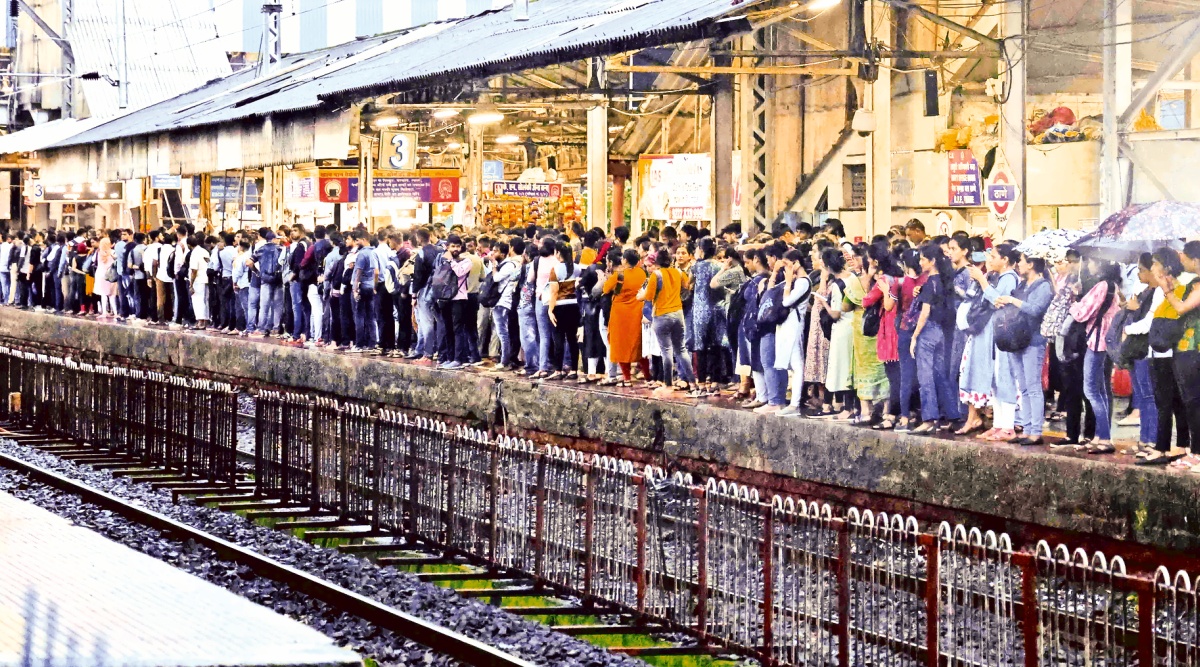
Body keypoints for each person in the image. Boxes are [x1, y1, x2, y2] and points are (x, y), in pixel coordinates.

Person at [993, 252, 1055, 446]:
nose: (1018, 264)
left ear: (1031, 264)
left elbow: (1036, 310)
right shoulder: (1022, 284)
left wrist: (1013, 301)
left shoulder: (1043, 286)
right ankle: (1027, 428)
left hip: (1034, 340)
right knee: (1024, 386)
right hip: (1016, 339)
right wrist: (1003, 301)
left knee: (1033, 386)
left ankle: (1036, 431)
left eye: (1021, 261)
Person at [1068, 259, 1122, 454]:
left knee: (1091, 390)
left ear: (1101, 264)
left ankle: (1105, 437)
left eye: (1092, 261)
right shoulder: (1114, 286)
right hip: (1105, 340)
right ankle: (1101, 435)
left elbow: (1082, 313)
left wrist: (1074, 301)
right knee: (1101, 390)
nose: (1089, 264)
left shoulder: (1102, 286)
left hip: (1096, 340)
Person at [1155, 241, 1200, 471]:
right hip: (1187, 348)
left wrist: (1168, 290)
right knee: (1190, 401)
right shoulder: (1193, 283)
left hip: (1193, 347)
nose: (1182, 260)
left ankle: (1197, 454)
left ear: (1195, 260)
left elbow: (1182, 308)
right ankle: (1194, 451)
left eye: (1186, 258)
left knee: (1194, 402)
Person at [909, 244, 958, 434]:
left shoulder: (930, 282)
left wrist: (914, 336)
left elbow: (925, 312)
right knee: (939, 374)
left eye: (923, 259)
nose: (920, 262)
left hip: (928, 331)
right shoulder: (944, 281)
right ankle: (953, 414)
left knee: (925, 376)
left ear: (932, 261)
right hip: (941, 331)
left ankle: (929, 418)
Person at [641, 242, 695, 393]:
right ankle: (693, 382)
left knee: (666, 350)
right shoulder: (678, 272)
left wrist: (641, 296)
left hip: (662, 314)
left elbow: (650, 296)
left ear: (657, 262)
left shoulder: (656, 275)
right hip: (678, 313)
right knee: (681, 349)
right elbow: (687, 286)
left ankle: (668, 384)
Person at [775, 248, 812, 417]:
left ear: (796, 263)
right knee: (793, 365)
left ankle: (795, 403)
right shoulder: (799, 281)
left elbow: (786, 302)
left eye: (788, 266)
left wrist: (789, 282)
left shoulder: (803, 281)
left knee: (797, 365)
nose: (786, 270)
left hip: (795, 324)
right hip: (789, 325)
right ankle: (793, 402)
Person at [546, 241, 583, 381]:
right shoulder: (577, 268)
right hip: (574, 306)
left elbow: (554, 292)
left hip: (559, 306)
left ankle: (558, 369)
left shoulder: (555, 270)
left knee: (558, 339)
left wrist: (550, 310)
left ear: (558, 253)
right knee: (572, 339)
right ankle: (574, 369)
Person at [439, 234, 475, 368]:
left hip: (459, 298)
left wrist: (451, 261)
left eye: (458, 246)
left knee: (458, 329)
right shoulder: (442, 260)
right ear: (447, 247)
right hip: (445, 298)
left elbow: (460, 272)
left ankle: (459, 359)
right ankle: (449, 357)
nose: (455, 249)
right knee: (447, 329)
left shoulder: (466, 261)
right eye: (452, 246)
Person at [489, 240, 521, 371]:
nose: (493, 253)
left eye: (496, 251)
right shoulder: (507, 264)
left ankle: (504, 360)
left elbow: (496, 278)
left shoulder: (509, 265)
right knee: (503, 331)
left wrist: (494, 266)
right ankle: (506, 358)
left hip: (503, 301)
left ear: (503, 253)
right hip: (501, 301)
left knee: (502, 332)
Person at [350, 230, 380, 354]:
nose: (356, 243)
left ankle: (359, 344)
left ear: (363, 239)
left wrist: (355, 289)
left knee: (359, 316)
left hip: (362, 286)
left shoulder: (362, 254)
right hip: (371, 286)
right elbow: (376, 271)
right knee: (371, 317)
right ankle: (372, 343)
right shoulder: (374, 252)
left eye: (357, 240)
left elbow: (358, 272)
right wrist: (375, 286)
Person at [93, 234, 118, 317]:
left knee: (103, 294)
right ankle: (115, 312)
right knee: (112, 294)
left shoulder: (98, 253)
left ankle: (104, 312)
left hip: (100, 274)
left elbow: (93, 260)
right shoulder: (112, 252)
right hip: (111, 275)